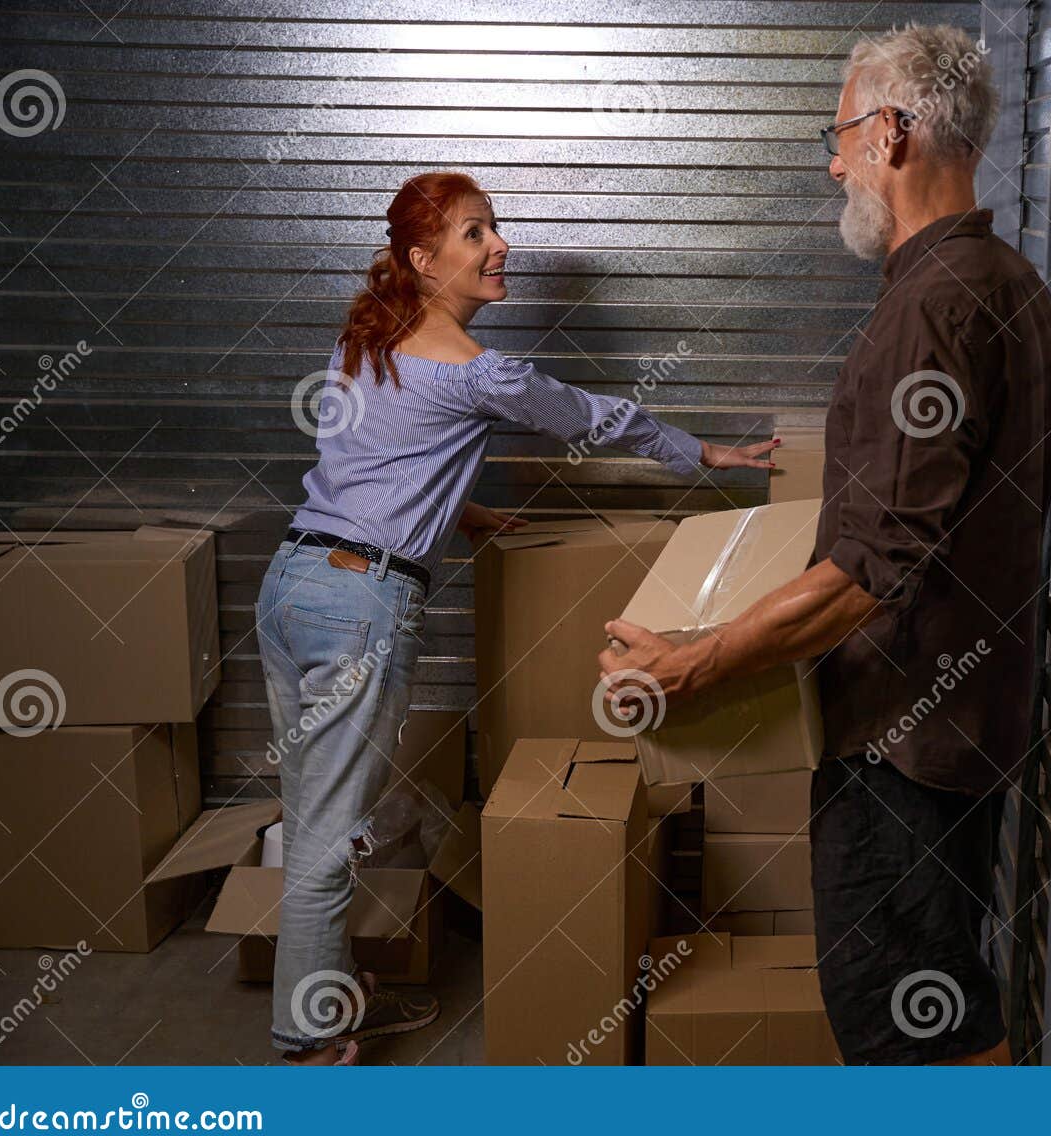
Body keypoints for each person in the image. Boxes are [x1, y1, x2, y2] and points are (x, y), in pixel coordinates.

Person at [599, 24, 1051, 1065]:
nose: (831, 160)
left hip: (906, 736)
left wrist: (697, 664)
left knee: (898, 1020)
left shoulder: (933, 309)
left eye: (842, 133)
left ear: (894, 134)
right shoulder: (1011, 287)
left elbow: (872, 566)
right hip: (965, 720)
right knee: (938, 998)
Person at [257, 171, 774, 1065]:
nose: (501, 247)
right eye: (474, 235)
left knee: (309, 815)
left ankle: (328, 1000)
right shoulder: (479, 373)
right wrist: (711, 453)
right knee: (328, 840)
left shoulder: (365, 337)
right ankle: (307, 1045)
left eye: (494, 228)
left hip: (291, 585)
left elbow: (374, 458)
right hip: (359, 610)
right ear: (423, 261)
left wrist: (462, 508)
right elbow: (597, 417)